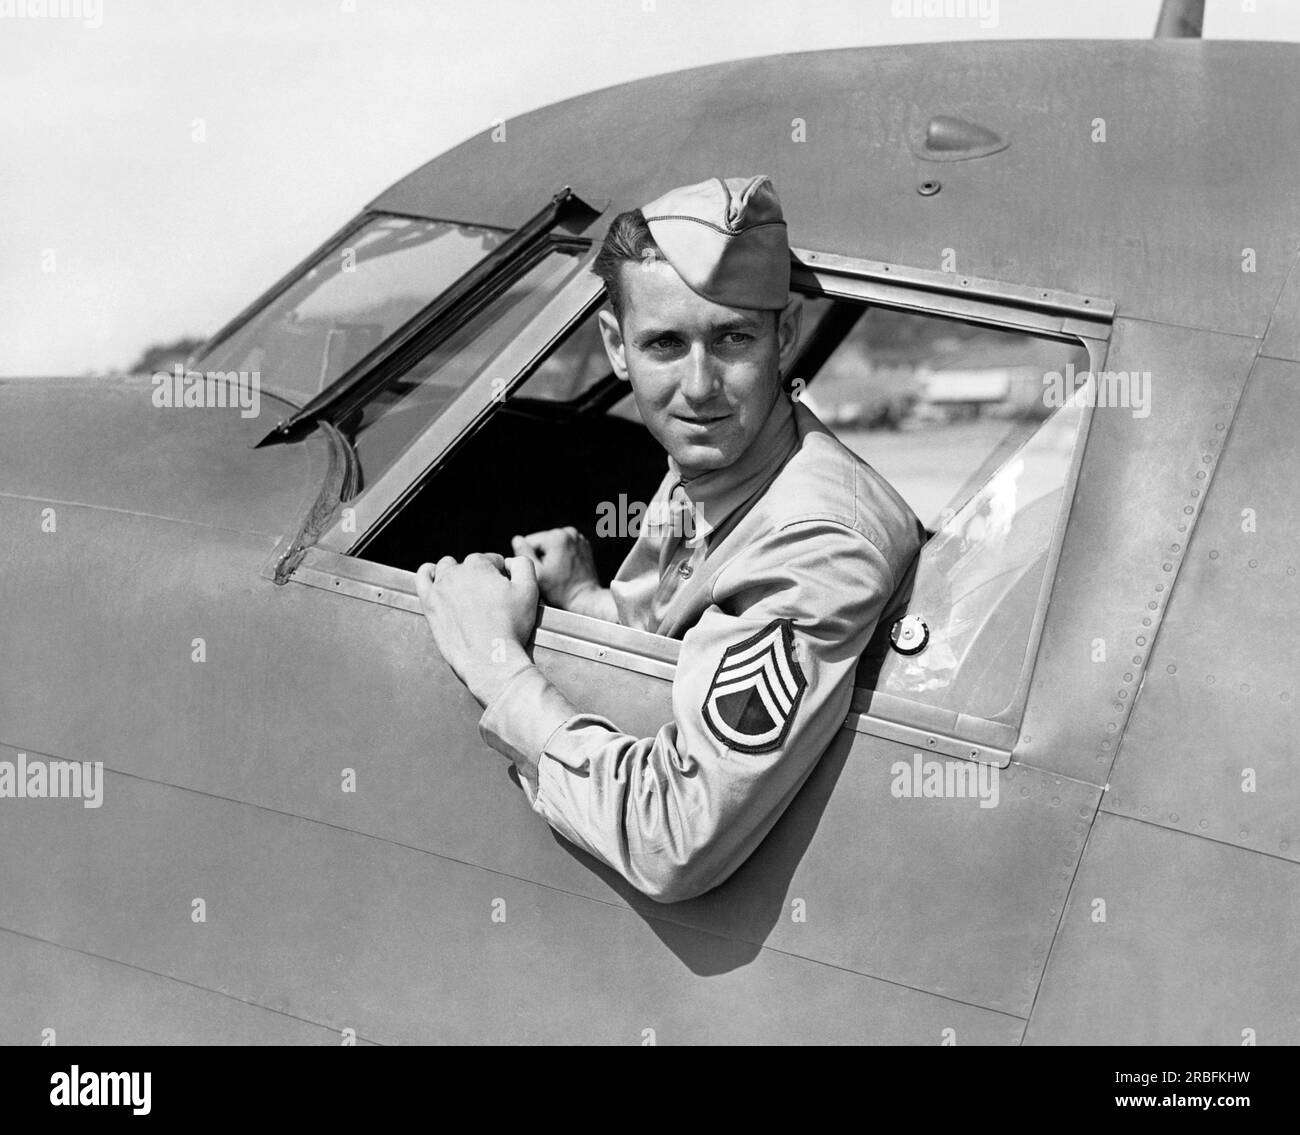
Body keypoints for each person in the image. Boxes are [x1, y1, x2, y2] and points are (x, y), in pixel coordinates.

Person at [416, 175, 922, 902]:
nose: (699, 385)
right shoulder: (718, 461)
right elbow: (683, 644)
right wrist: (586, 598)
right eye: (664, 343)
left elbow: (677, 835)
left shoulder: (818, 542)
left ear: (786, 335)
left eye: (733, 338)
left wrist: (495, 666)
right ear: (616, 347)